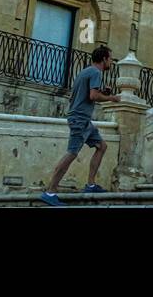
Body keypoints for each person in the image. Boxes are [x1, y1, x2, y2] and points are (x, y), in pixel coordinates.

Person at [40, 45, 118, 206]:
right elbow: (93, 95)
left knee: (101, 146)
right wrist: (111, 98)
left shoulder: (86, 71)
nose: (111, 61)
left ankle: (90, 185)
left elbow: (87, 94)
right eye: (110, 58)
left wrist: (103, 92)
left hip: (82, 119)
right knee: (72, 153)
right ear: (104, 59)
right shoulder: (96, 72)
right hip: (80, 119)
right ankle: (50, 191)